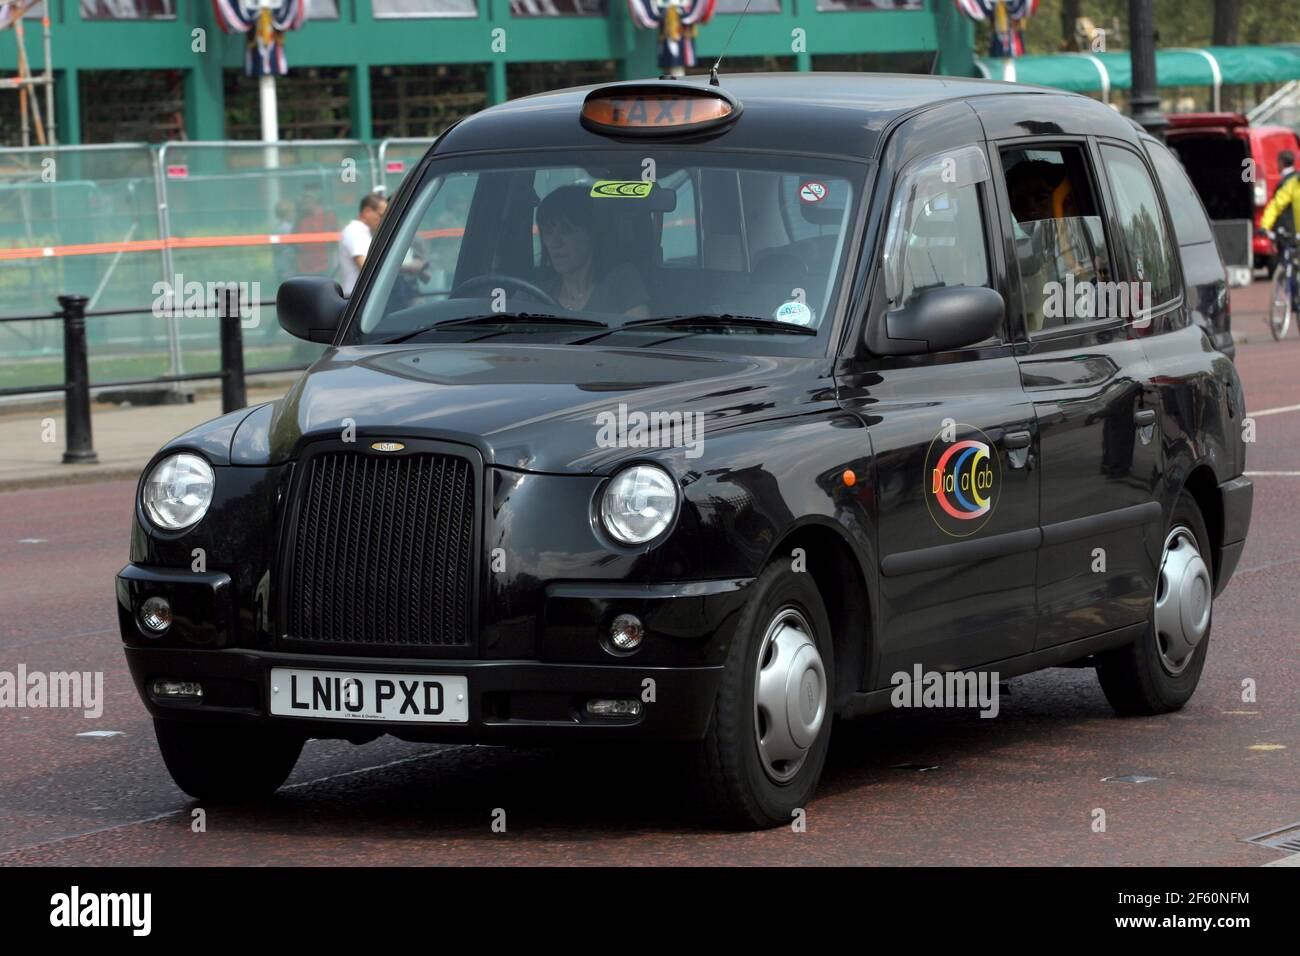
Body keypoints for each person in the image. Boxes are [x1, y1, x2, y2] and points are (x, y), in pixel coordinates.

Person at [535, 185, 650, 317]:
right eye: (548, 232)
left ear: (592, 234)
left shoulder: (621, 282)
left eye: (566, 230)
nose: (554, 243)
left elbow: (636, 334)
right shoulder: (534, 293)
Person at [338, 192, 388, 296]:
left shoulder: (362, 232)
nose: (383, 220)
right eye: (381, 215)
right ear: (367, 211)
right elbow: (366, 266)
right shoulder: (355, 231)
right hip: (356, 296)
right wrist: (408, 267)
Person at [293, 184, 337, 276]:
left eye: (307, 200)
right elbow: (293, 241)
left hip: (324, 266)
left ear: (315, 201)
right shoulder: (302, 219)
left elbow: (334, 241)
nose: (304, 203)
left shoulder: (328, 216)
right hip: (304, 268)